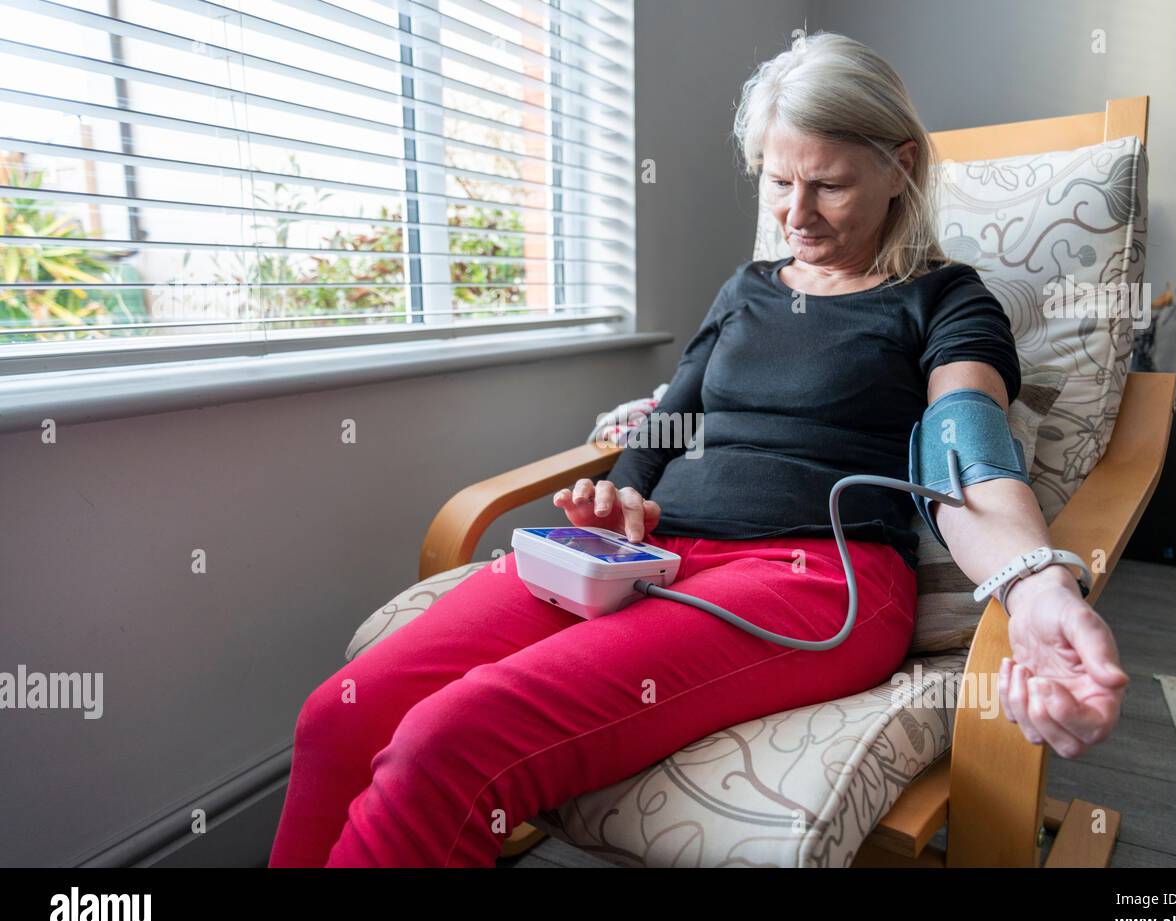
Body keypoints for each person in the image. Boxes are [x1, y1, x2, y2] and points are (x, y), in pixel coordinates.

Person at [268, 31, 1128, 869]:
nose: (796, 215)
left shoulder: (944, 299)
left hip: (816, 577)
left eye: (827, 185)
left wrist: (1036, 584)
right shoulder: (747, 290)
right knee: (338, 716)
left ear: (902, 163)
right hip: (644, 552)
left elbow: (962, 443)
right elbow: (668, 424)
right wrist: (621, 498)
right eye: (778, 182)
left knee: (444, 742)